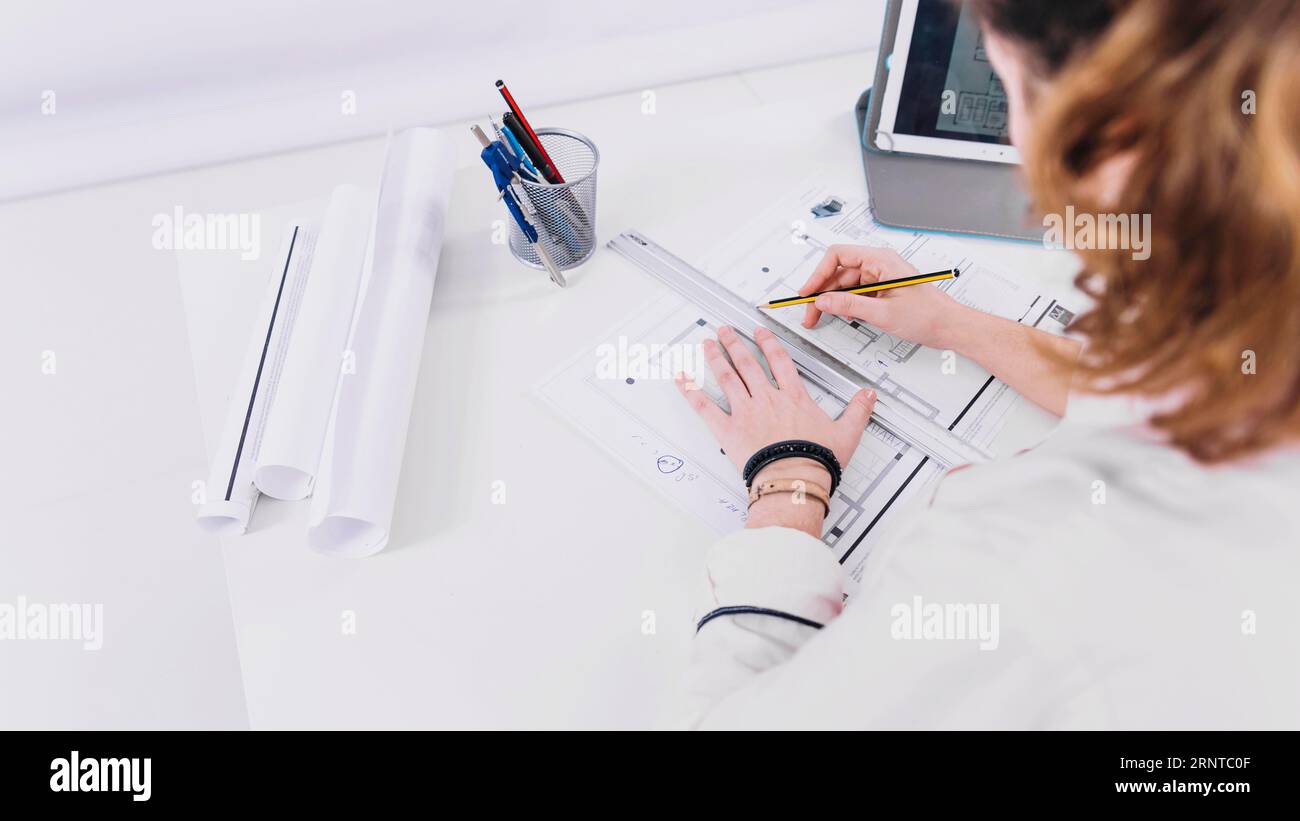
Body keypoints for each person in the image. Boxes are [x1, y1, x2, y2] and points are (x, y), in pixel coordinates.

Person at [674, 0, 1300, 729]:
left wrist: (789, 479)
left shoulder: (1016, 567)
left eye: (1010, 91)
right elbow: (1183, 381)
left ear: (1099, 130)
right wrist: (951, 322)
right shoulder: (1253, 283)